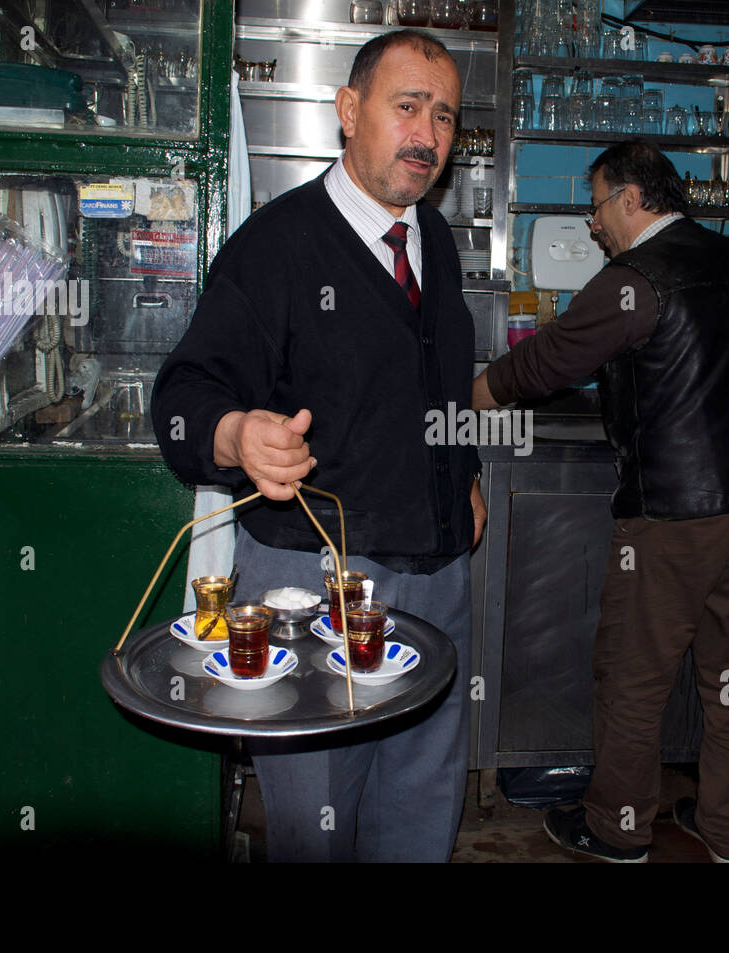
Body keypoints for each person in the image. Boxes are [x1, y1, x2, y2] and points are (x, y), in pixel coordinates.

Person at [151, 30, 484, 862]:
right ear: (348, 110)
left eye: (443, 116)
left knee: (422, 800)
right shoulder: (279, 246)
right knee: (319, 821)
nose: (427, 135)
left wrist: (465, 474)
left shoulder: (433, 240)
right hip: (315, 582)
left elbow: (443, 377)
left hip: (437, 579)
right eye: (406, 106)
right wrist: (237, 435)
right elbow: (184, 396)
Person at [472, 140, 729, 863]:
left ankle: (617, 828)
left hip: (673, 514)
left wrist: (475, 391)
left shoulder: (637, 276)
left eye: (598, 202)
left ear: (634, 200)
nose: (591, 220)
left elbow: (551, 357)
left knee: (633, 676)